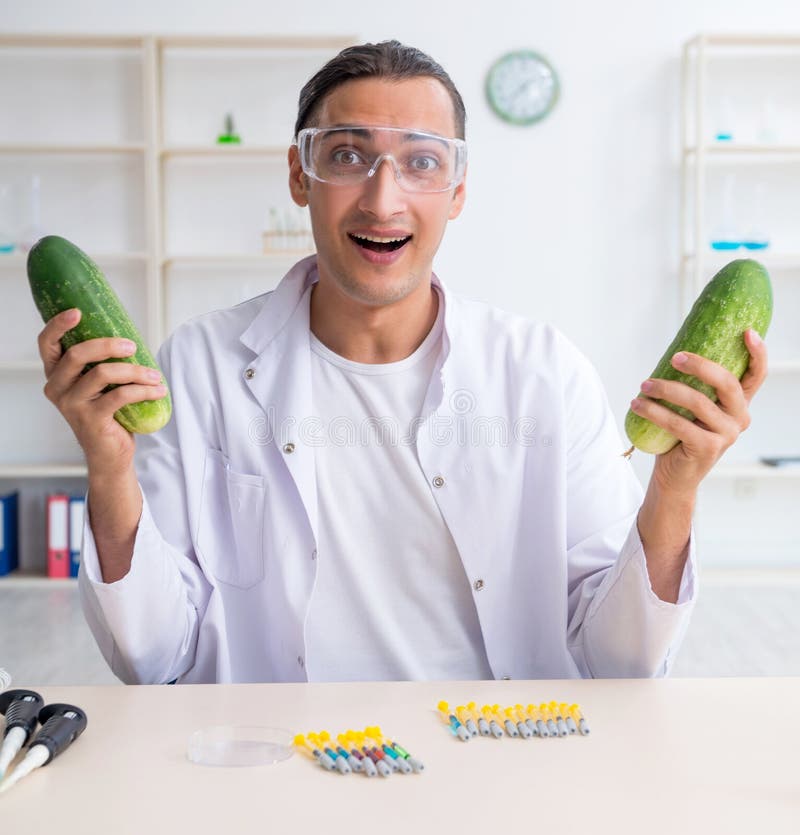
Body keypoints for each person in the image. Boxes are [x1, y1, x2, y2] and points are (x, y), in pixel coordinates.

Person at [37, 41, 767, 685]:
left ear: (457, 190)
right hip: (273, 767)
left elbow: (621, 663)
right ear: (300, 176)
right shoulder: (200, 367)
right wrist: (108, 465)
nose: (383, 199)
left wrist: (674, 485)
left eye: (421, 161)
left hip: (498, 760)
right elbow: (153, 658)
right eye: (348, 156)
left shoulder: (545, 374)